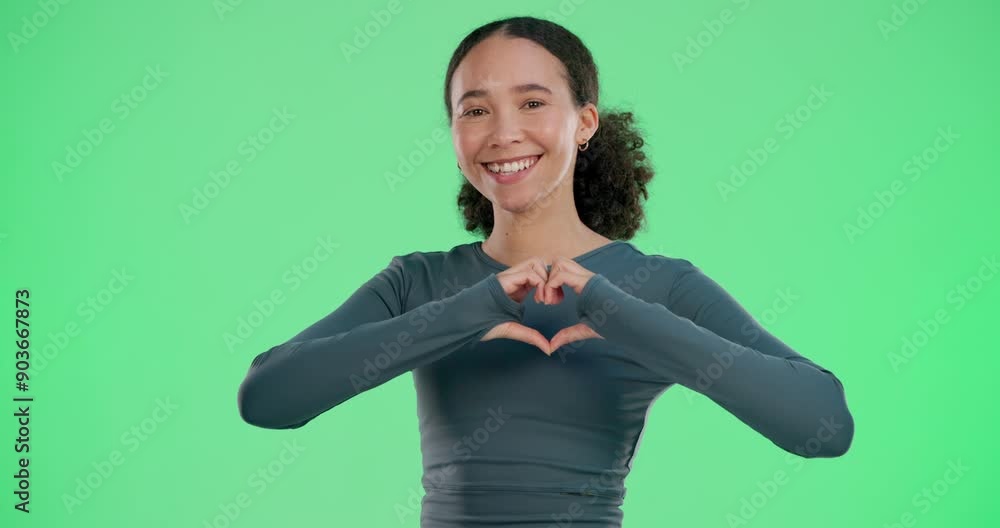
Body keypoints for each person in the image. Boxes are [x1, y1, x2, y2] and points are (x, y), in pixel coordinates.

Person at [237, 15, 855, 527]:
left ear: (584, 123)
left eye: (532, 102)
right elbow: (268, 398)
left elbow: (823, 425)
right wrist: (471, 310)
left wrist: (619, 312)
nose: (504, 133)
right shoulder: (416, 283)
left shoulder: (659, 287)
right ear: (453, 133)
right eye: (474, 111)